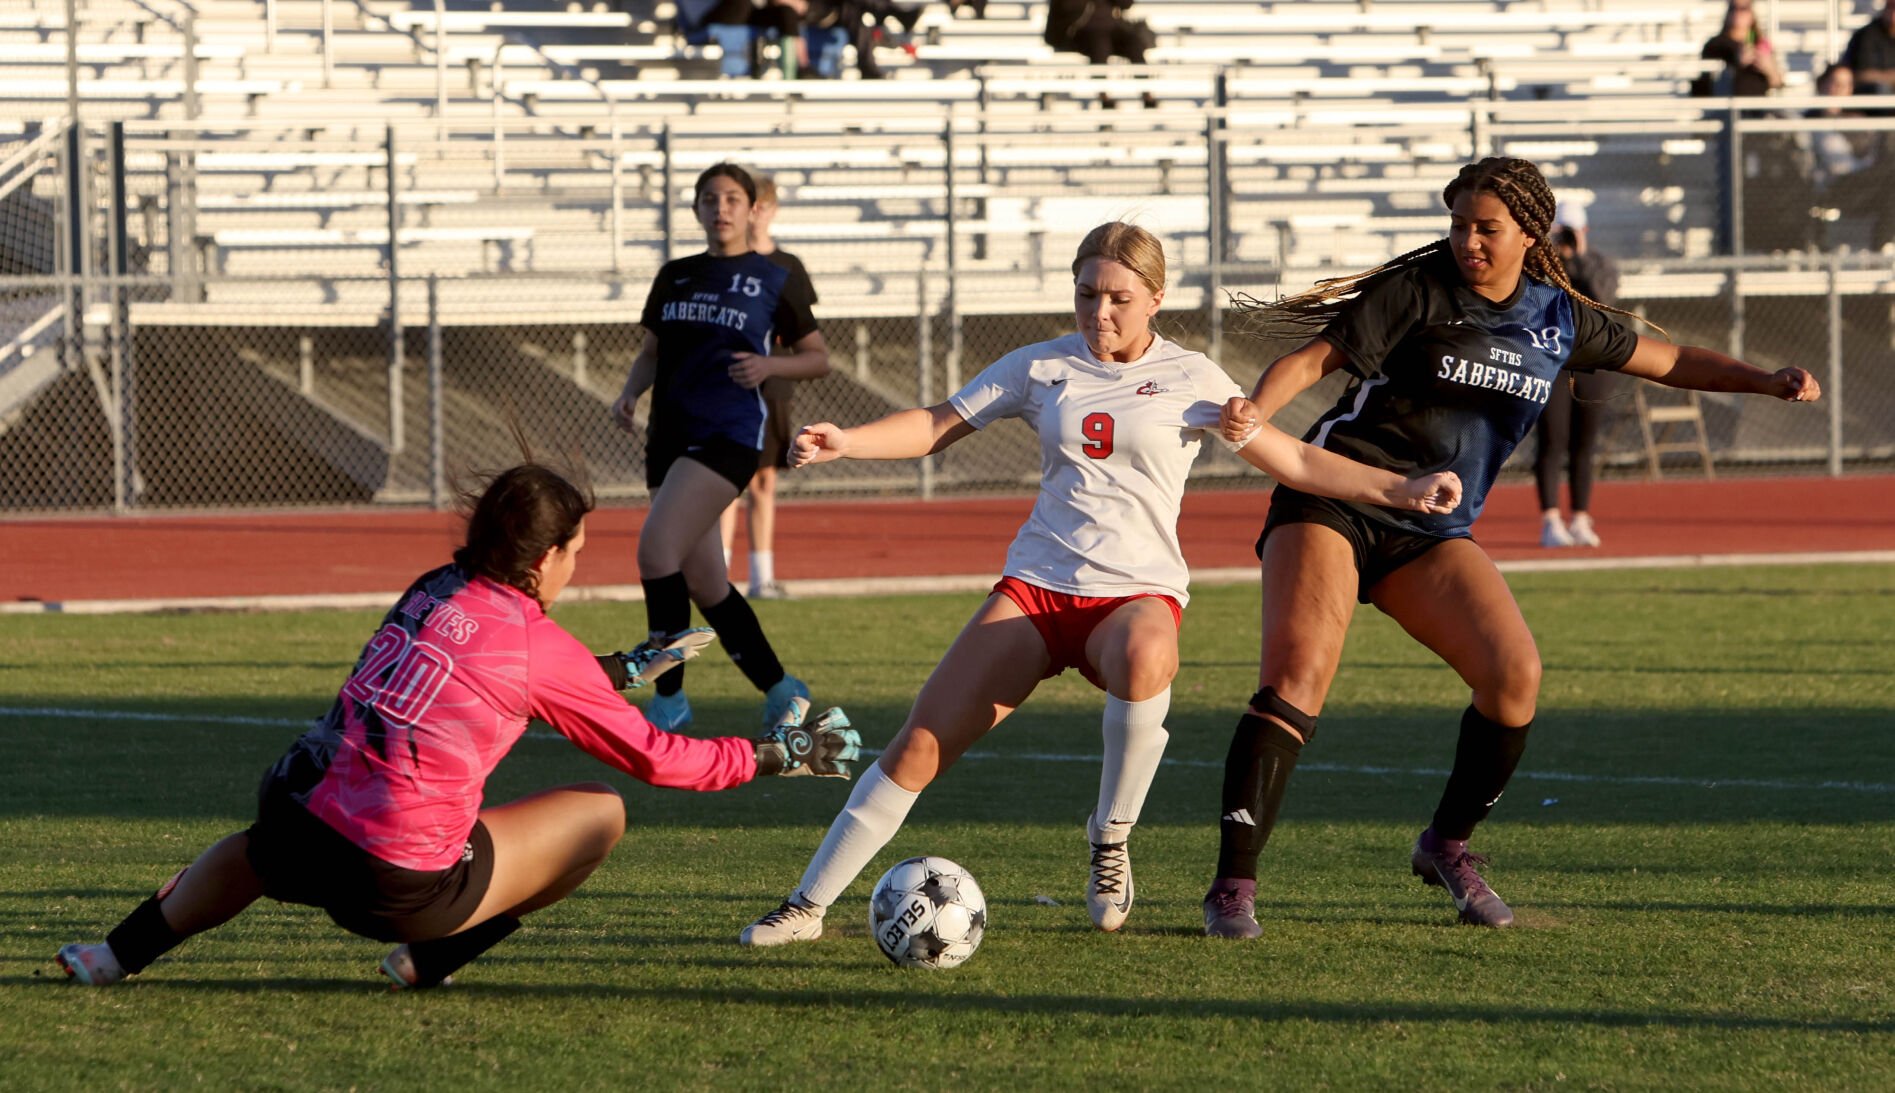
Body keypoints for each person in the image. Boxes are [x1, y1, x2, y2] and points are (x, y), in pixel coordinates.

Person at [737, 222, 1462, 946]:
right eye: (1087, 294)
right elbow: (934, 425)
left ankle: (1109, 840)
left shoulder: (1193, 376)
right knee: (915, 747)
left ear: (1155, 298)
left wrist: (1402, 489)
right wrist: (847, 442)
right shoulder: (1039, 365)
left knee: (1149, 652)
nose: (1099, 312)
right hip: (1036, 590)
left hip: (1133, 595)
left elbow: (1297, 463)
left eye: (1118, 297)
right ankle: (805, 906)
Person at [1201, 156, 1821, 937]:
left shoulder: (1558, 317)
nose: (1467, 240)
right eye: (1458, 224)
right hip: (1334, 498)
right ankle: (1232, 885)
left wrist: (1765, 380)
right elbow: (1311, 362)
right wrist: (1252, 414)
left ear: (1530, 233)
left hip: (1429, 527)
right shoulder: (1418, 288)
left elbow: (1669, 360)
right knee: (1297, 677)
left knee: (1513, 674)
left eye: (1485, 228)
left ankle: (1446, 847)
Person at [54, 462, 862, 989]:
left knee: (256, 847)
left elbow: (464, 668)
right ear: (543, 558)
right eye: (576, 550)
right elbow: (655, 759)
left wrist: (613, 669)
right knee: (599, 814)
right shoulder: (534, 642)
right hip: (395, 886)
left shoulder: (433, 584)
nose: (578, 566)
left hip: (291, 825)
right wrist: (778, 751)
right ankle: (425, 958)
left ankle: (112, 954)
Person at [613, 163, 830, 733]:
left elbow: (818, 356)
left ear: (753, 208)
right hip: (667, 436)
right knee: (706, 582)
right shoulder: (676, 275)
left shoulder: (773, 276)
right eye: (710, 199)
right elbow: (652, 352)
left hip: (728, 437)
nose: (721, 208)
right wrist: (629, 394)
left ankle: (668, 699)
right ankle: (783, 688)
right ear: (697, 210)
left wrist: (769, 364)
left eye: (733, 198)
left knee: (655, 553)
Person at [719, 173, 813, 600]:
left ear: (772, 211)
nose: (755, 214)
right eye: (749, 205)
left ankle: (762, 577)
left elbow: (804, 331)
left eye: (763, 206)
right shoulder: (726, 261)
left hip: (772, 384)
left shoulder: (788, 265)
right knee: (725, 482)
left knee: (764, 482)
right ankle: (717, 576)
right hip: (732, 383)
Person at [1532, 202, 1620, 548]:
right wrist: (1553, 259)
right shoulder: (1542, 265)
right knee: (1552, 440)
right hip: (1552, 363)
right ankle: (1550, 518)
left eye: (1572, 231)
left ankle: (1581, 516)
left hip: (1592, 363)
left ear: (1585, 232)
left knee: (1584, 444)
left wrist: (1579, 258)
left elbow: (1603, 300)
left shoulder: (1599, 265)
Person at [1693, 2, 1785, 98]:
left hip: (1758, 107)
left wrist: (1769, 70)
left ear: (1752, 13)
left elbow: (1778, 84)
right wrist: (1737, 61)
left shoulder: (1760, 43)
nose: (1738, 13)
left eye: (1744, 8)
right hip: (1727, 106)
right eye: (1733, 8)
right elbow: (1706, 82)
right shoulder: (1716, 44)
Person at [1843, 0, 1895, 96]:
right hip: (1869, 100)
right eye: (1890, 7)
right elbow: (1860, 75)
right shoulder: (1866, 35)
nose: (1893, 13)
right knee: (1882, 89)